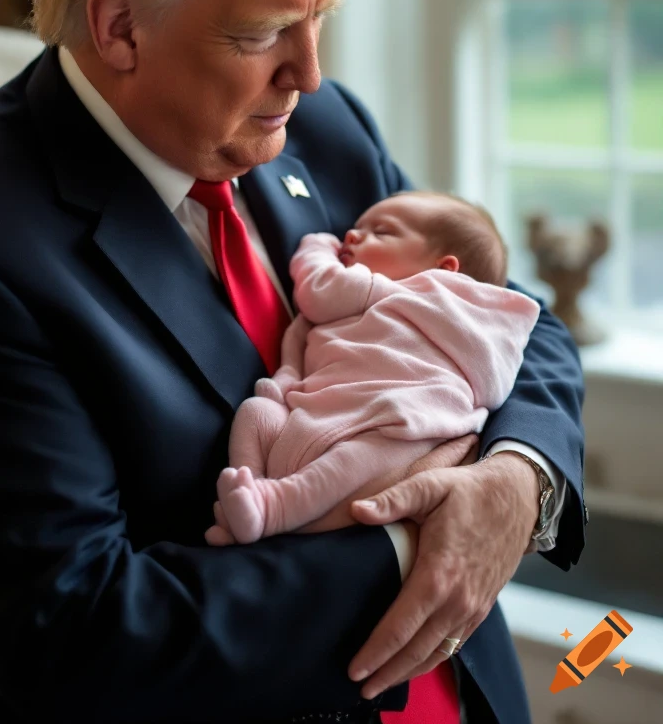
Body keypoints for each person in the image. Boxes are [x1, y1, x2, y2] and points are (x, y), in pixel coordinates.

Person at [0, 0, 586, 724]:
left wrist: (516, 482)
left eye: (320, 17)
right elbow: (81, 632)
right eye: (261, 33)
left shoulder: (324, 127)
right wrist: (415, 544)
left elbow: (514, 317)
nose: (307, 72)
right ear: (120, 28)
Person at [206, 192, 542, 547]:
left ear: (443, 271)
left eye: (381, 232)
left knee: (358, 457)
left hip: (396, 423)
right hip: (318, 413)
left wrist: (317, 246)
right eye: (357, 227)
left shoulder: (399, 291)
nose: (351, 235)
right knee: (258, 412)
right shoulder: (474, 326)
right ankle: (248, 494)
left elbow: (318, 290)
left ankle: (273, 506)